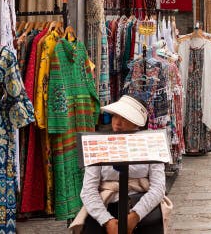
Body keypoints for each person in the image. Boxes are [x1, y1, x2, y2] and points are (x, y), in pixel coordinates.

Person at [72, 95, 168, 234]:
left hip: (142, 204)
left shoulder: (151, 144)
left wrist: (135, 215)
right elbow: (88, 190)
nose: (117, 123)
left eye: (124, 118)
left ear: (137, 123)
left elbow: (158, 188)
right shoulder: (98, 144)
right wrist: (107, 221)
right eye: (115, 117)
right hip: (106, 204)